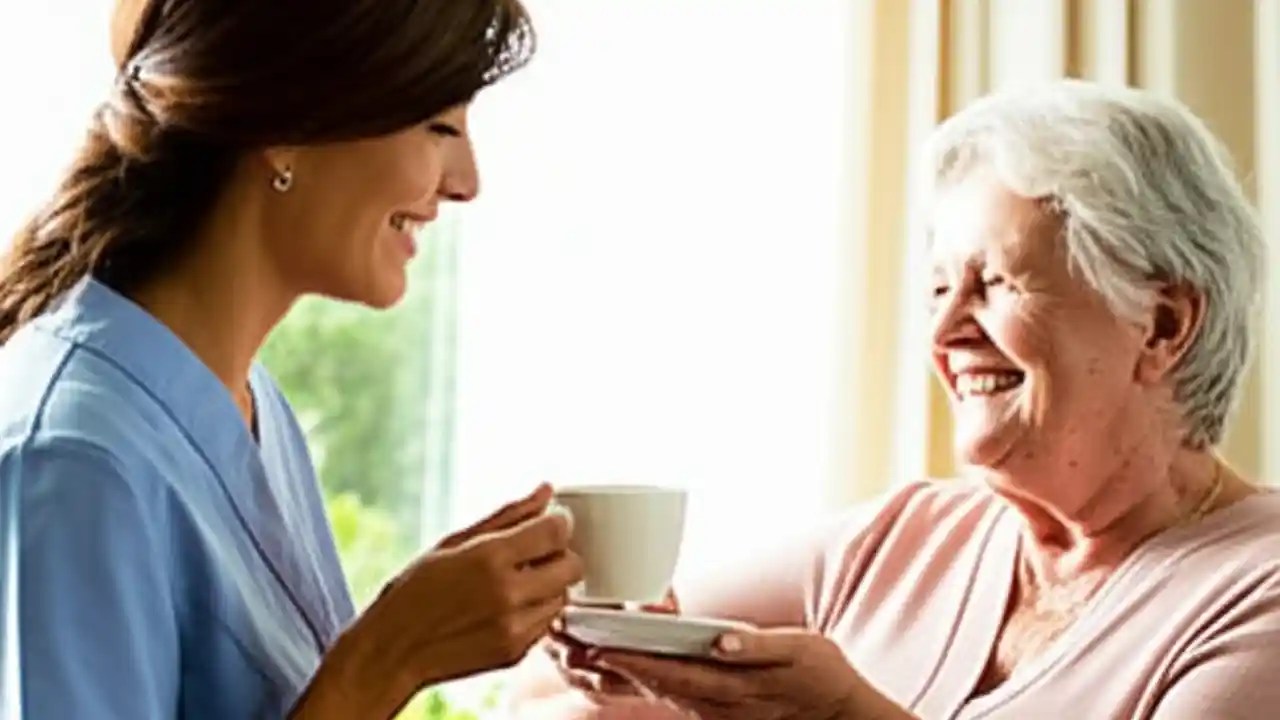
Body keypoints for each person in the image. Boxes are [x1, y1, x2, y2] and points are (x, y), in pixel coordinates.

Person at [511, 80, 1279, 719]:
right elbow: (539, 695)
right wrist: (614, 679)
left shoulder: (1257, 593)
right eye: (940, 286)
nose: (944, 328)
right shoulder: (900, 541)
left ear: (1163, 324)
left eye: (996, 283)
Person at [0, 0, 584, 717]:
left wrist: (436, 627)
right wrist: (386, 657)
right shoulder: (77, 460)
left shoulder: (248, 404)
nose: (465, 181)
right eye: (440, 127)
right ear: (287, 128)